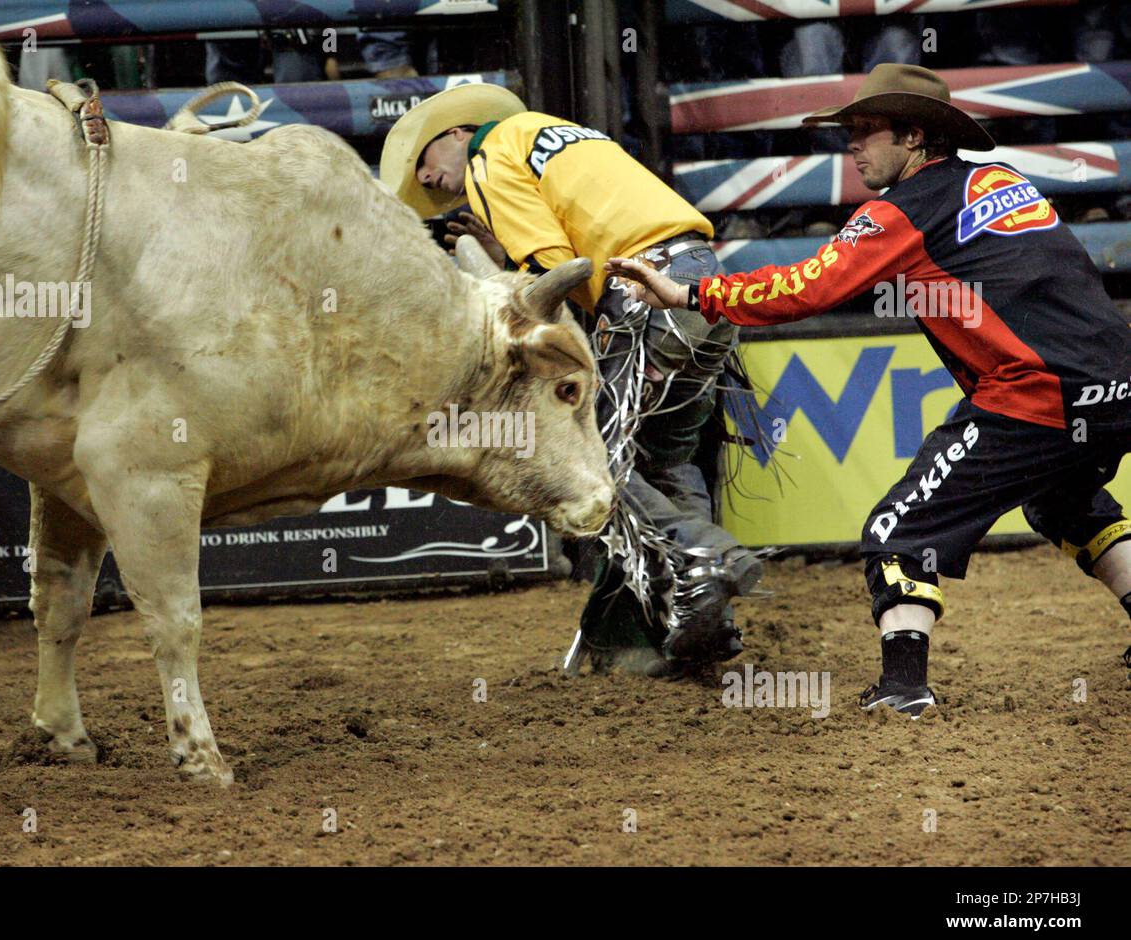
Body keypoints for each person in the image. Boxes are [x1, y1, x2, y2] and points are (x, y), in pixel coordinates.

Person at [606, 63, 1131, 716]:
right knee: (1063, 501)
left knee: (897, 530)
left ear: (913, 137)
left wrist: (689, 293)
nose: (851, 145)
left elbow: (807, 288)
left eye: (865, 130)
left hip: (1033, 395)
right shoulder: (998, 183)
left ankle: (905, 689)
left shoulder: (901, 210)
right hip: (1116, 384)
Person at [379, 84, 762, 677]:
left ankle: (705, 555)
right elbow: (572, 246)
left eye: (422, 161)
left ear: (458, 133)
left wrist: (498, 279)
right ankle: (704, 617)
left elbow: (551, 277)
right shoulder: (552, 134)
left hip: (642, 298)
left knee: (596, 460)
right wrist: (504, 251)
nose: (426, 179)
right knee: (667, 457)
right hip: (700, 285)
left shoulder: (488, 155)